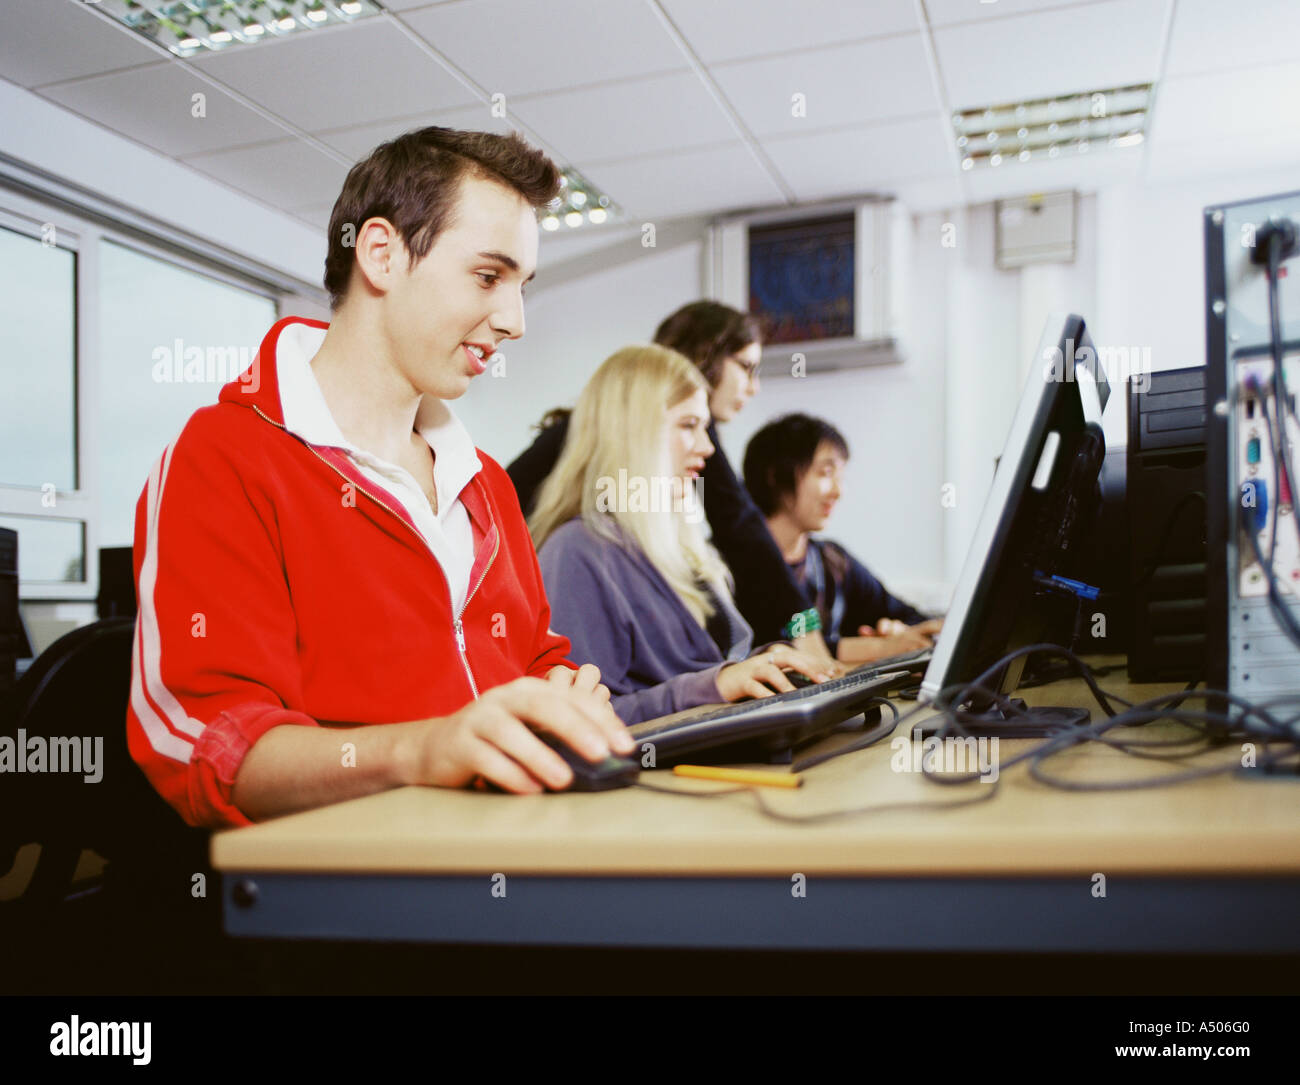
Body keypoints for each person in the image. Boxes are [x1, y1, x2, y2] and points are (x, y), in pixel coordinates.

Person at [126, 127, 633, 829]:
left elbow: (532, 651)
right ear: (381, 254)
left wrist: (559, 689)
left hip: (515, 848)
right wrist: (425, 750)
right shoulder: (224, 456)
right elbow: (208, 745)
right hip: (344, 902)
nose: (514, 321)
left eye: (522, 286)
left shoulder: (482, 480)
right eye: (489, 277)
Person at [507, 301, 840, 663]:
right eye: (745, 367)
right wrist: (805, 634)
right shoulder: (575, 548)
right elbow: (743, 530)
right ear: (705, 358)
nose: (753, 387)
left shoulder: (660, 518)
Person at [529, 345, 835, 724]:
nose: (707, 448)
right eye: (689, 426)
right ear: (633, 433)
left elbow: (705, 669)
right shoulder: (575, 552)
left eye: (705, 428)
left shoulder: (679, 547)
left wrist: (766, 662)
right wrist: (715, 685)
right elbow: (582, 719)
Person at [743, 413, 941, 665]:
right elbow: (767, 647)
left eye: (840, 476)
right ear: (775, 476)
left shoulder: (830, 561)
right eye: (826, 473)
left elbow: (906, 616)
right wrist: (877, 648)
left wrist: (895, 631)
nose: (838, 492)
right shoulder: (727, 567)